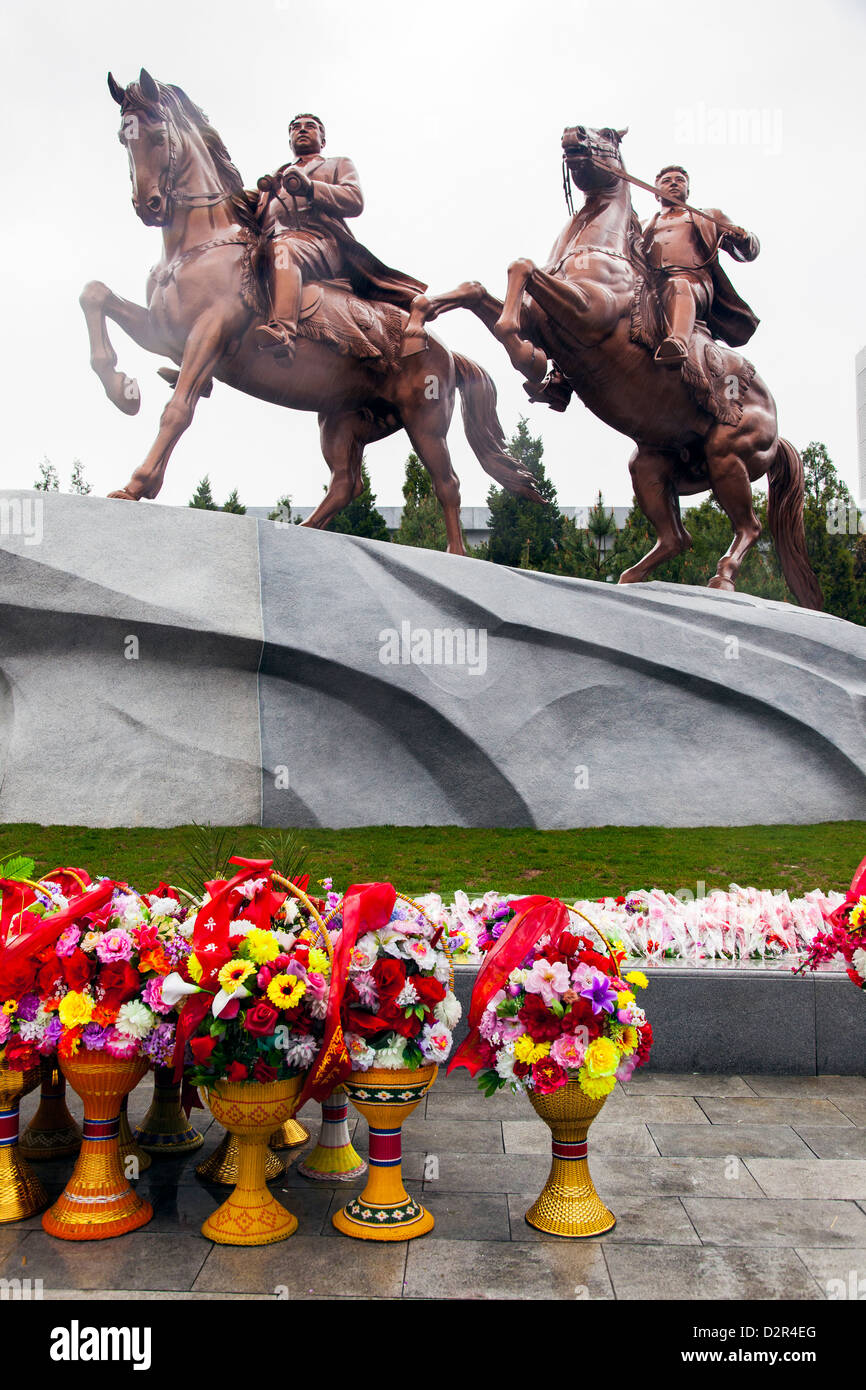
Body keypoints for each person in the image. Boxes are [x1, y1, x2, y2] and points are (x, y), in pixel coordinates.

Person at [254, 113, 424, 361]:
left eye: (310, 127)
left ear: (322, 140)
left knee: (284, 249)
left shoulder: (336, 164)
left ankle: (284, 332)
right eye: (295, 128)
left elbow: (353, 200)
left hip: (318, 240)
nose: (302, 130)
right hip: (269, 242)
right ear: (289, 139)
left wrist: (310, 188)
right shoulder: (275, 176)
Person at [640, 165, 760, 367]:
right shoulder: (642, 225)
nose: (674, 183)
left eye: (679, 180)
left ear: (688, 190)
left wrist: (744, 239)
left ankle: (678, 342)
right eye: (667, 180)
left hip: (692, 282)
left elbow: (748, 251)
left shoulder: (708, 216)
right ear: (655, 193)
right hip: (648, 287)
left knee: (678, 285)